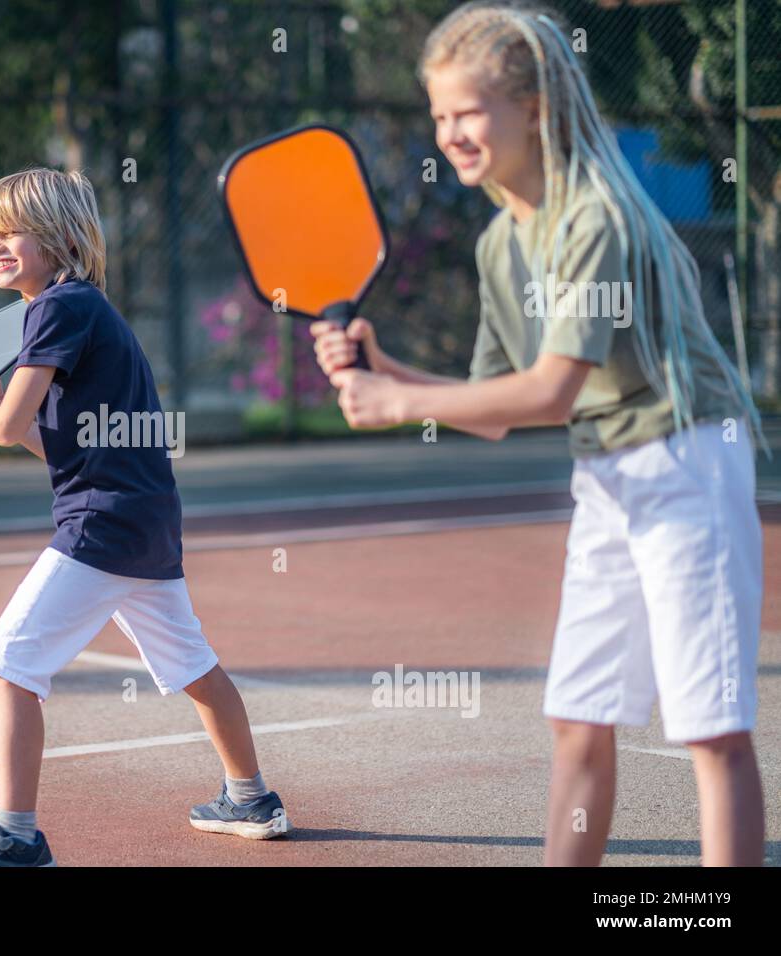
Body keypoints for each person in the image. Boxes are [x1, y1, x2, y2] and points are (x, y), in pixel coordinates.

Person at [312, 1, 766, 866]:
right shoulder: (498, 244)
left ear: (535, 110)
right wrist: (387, 366)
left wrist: (393, 405)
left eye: (469, 111)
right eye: (440, 115)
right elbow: (492, 405)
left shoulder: (596, 216)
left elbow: (552, 391)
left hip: (688, 461)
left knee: (710, 728)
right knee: (578, 717)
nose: (451, 132)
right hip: (607, 475)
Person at [0, 167, 288, 866]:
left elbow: (9, 425)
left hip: (102, 525)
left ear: (59, 236)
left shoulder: (58, 309)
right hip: (144, 520)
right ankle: (250, 797)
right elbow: (50, 440)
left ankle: (14, 835)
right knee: (195, 666)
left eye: (10, 231)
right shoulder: (81, 309)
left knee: (9, 666)